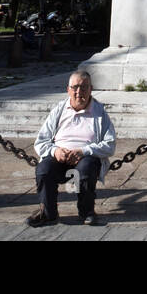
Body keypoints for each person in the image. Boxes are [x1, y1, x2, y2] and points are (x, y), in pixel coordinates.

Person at [30, 70, 116, 226]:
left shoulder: (100, 113)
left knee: (86, 169)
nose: (79, 92)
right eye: (75, 87)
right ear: (68, 89)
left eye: (84, 87)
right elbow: (41, 141)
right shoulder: (59, 110)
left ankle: (87, 213)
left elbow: (110, 145)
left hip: (85, 157)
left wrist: (83, 151)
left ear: (91, 89)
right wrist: (55, 151)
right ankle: (48, 214)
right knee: (44, 170)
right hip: (59, 156)